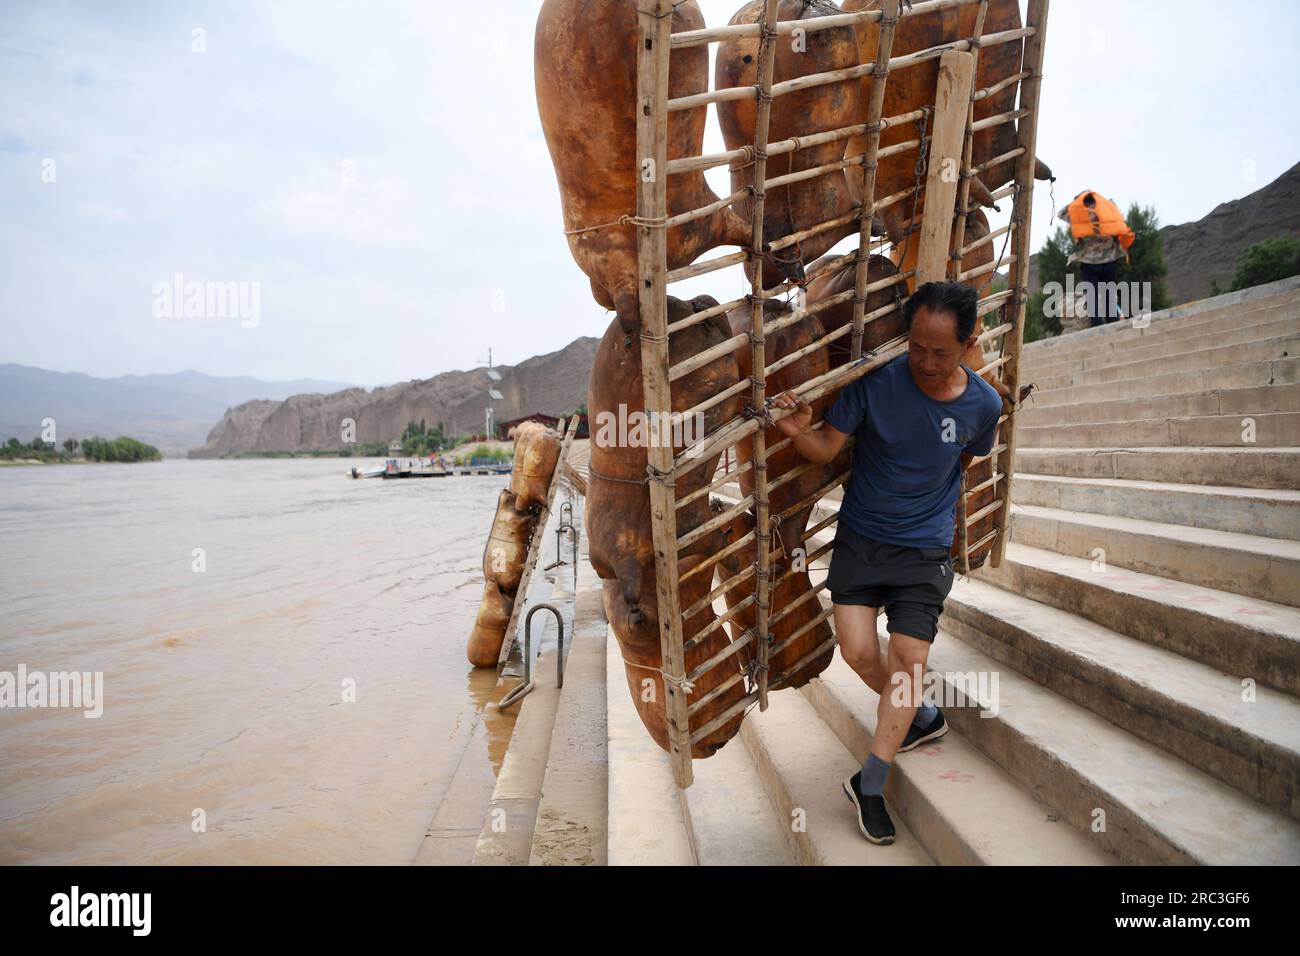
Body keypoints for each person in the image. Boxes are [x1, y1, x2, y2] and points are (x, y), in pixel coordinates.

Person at [770, 281, 1003, 845]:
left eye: (939, 352)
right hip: (862, 540)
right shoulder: (878, 383)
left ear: (968, 344)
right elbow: (827, 447)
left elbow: (970, 455)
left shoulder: (984, 405)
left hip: (924, 551)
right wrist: (801, 432)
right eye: (916, 346)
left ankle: (870, 782)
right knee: (856, 652)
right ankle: (920, 717)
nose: (924, 361)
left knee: (908, 658)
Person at [1058, 190, 1134, 325]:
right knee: (1109, 295)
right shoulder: (1106, 211)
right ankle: (1113, 322)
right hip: (1109, 260)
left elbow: (1061, 214)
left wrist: (1076, 202)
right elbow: (1117, 215)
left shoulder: (1078, 213)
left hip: (1089, 262)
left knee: (1092, 296)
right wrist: (1104, 201)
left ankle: (1098, 324)